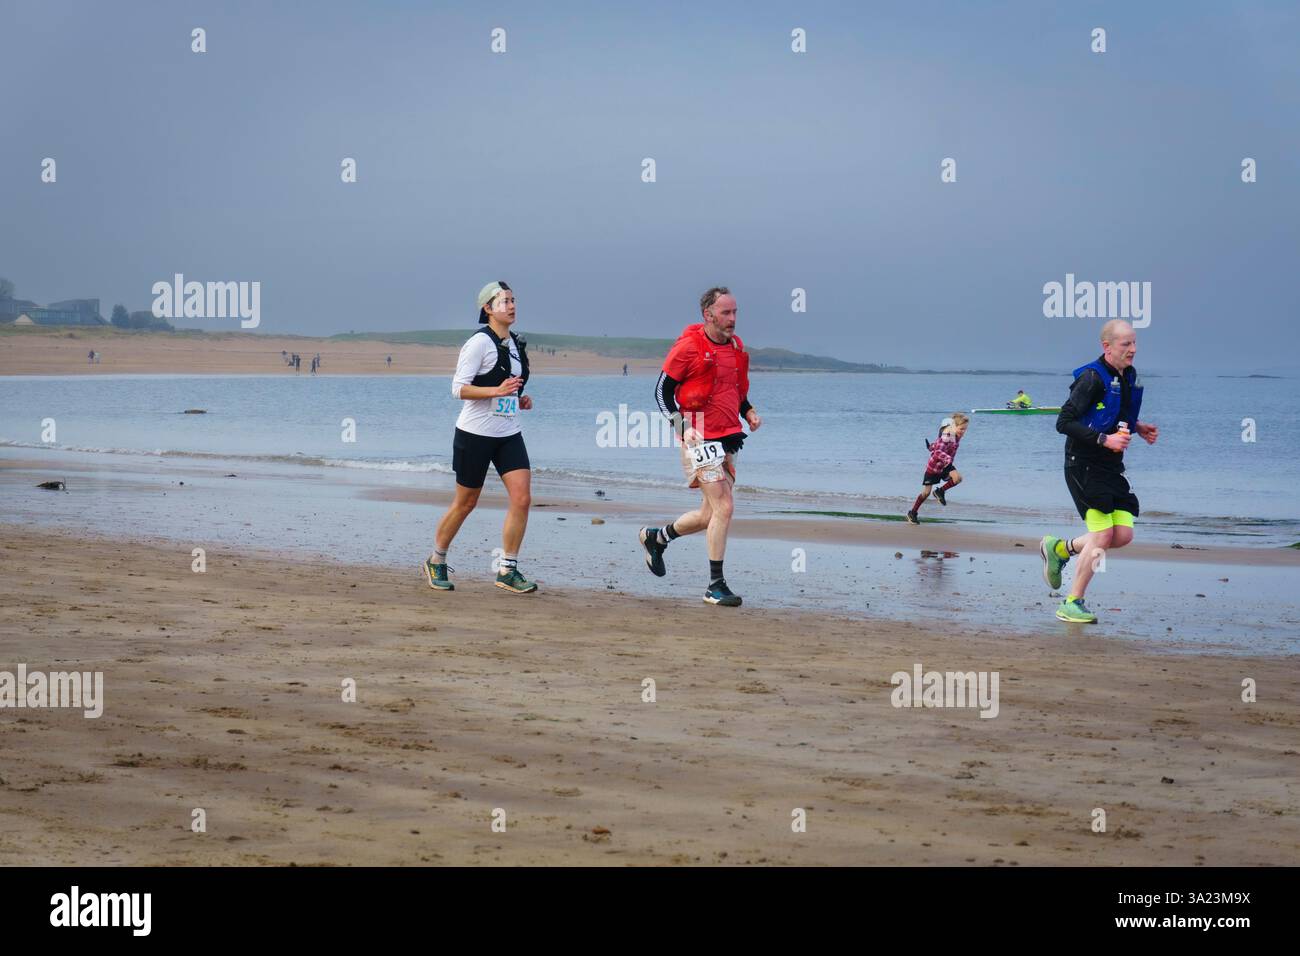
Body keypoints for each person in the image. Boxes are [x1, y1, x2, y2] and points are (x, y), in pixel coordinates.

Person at [639, 287, 761, 606]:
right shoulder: (689, 347)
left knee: (710, 514)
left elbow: (733, 389)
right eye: (726, 313)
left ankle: (657, 537)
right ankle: (715, 585)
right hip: (699, 439)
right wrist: (684, 428)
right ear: (708, 315)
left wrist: (748, 411)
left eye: (735, 312)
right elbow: (661, 394)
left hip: (729, 436)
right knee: (724, 507)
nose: (733, 319)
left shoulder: (736, 347)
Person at [1039, 320, 1158, 623]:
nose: (1133, 350)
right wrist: (1105, 439)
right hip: (1083, 464)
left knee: (1123, 534)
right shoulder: (1091, 378)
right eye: (1125, 344)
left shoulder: (1127, 375)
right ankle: (1072, 602)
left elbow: (1114, 412)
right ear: (1107, 347)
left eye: (1134, 343)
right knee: (1102, 534)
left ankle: (1060, 549)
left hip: (1111, 466)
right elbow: (1063, 422)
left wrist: (1138, 427)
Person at [424, 280, 537, 594]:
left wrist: (518, 399)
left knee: (522, 498)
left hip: (509, 433)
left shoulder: (515, 343)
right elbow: (458, 388)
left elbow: (510, 386)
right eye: (504, 301)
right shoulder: (478, 343)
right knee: (465, 503)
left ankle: (507, 570)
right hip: (474, 435)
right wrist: (495, 391)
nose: (512, 306)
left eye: (514, 300)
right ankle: (436, 560)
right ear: (488, 308)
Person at [907, 413, 968, 523]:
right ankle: (912, 513)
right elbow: (937, 453)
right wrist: (948, 459)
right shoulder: (947, 436)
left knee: (958, 478)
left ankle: (940, 491)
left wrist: (931, 447)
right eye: (961, 429)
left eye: (965, 429)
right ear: (954, 426)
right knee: (926, 493)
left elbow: (936, 446)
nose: (963, 432)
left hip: (945, 465)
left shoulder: (956, 437)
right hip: (934, 467)